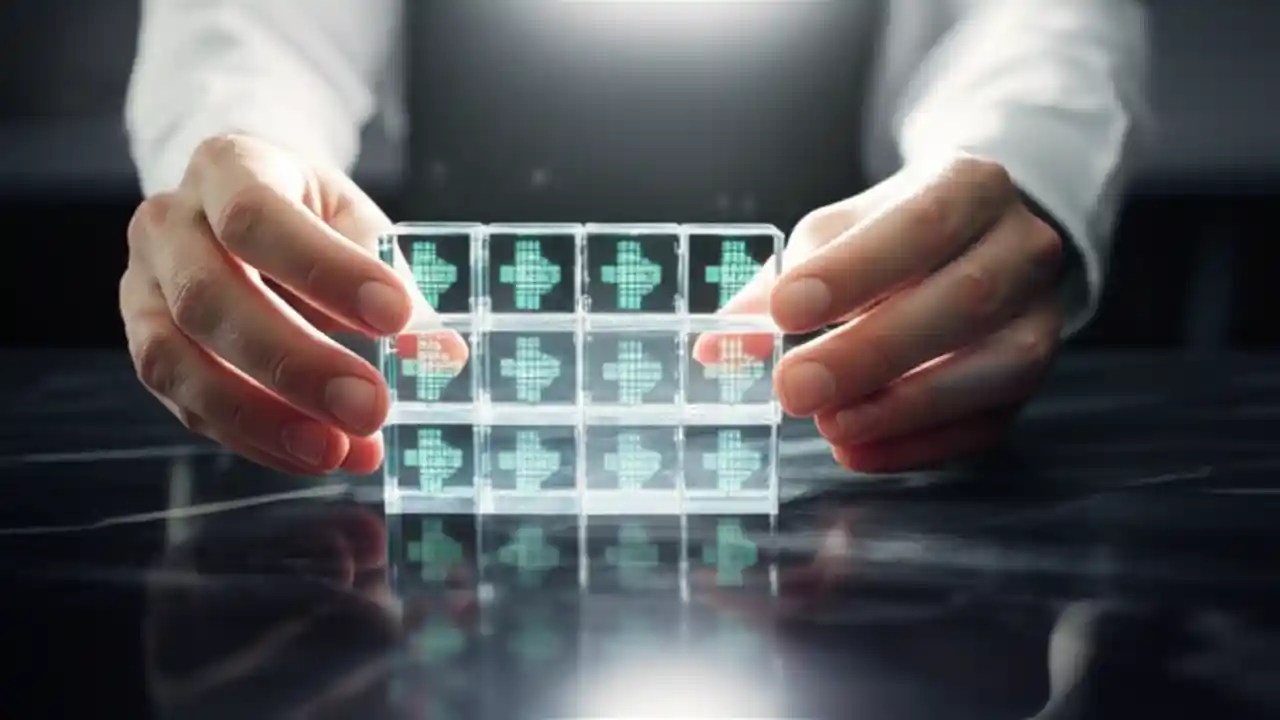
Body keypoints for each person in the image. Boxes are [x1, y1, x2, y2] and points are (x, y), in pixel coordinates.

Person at [120, 1, 1149, 476]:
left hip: (826, 405)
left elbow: (1032, 27)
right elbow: (249, 36)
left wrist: (1012, 178)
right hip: (459, 402)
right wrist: (239, 173)